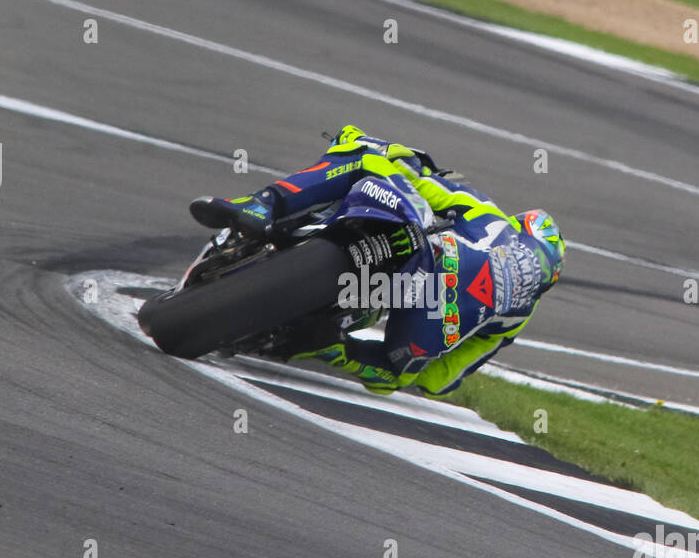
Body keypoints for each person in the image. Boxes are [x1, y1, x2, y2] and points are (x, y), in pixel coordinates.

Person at [189, 125, 564, 397]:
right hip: (422, 311)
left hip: (429, 256)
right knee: (398, 373)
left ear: (523, 228)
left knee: (363, 154)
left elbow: (424, 184)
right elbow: (439, 382)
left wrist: (396, 159)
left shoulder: (494, 220)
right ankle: (332, 350)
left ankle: (262, 204)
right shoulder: (516, 317)